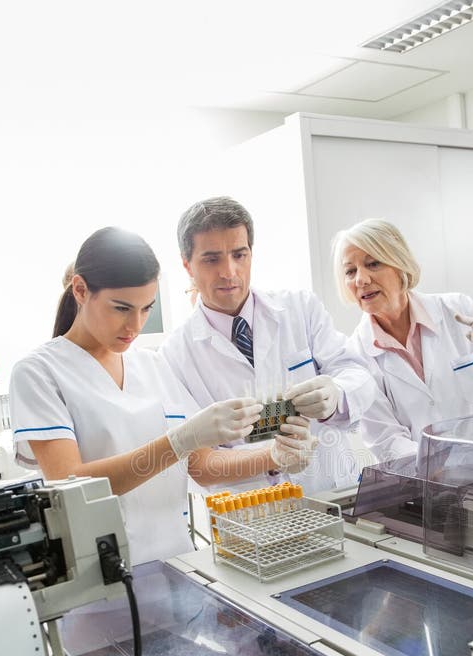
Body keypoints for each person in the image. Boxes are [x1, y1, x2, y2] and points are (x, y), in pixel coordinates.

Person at [9, 226, 315, 566]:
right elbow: (71, 485)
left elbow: (201, 464)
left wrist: (273, 456)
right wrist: (178, 441)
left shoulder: (152, 365)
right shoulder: (38, 372)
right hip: (102, 576)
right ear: (81, 290)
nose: (134, 326)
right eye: (121, 308)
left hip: (179, 562)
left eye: (145, 309)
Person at [159, 196, 377, 494]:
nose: (229, 272)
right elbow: (200, 465)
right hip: (253, 515)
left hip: (332, 492)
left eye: (239, 254)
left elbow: (358, 374)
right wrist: (272, 458)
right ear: (187, 265)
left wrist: (336, 394)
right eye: (212, 259)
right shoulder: (174, 355)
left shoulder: (300, 308)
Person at [332, 218, 473, 463]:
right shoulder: (356, 355)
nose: (360, 280)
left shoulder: (457, 311)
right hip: (420, 483)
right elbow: (387, 440)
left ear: (400, 265)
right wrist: (445, 466)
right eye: (350, 271)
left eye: (373, 263)